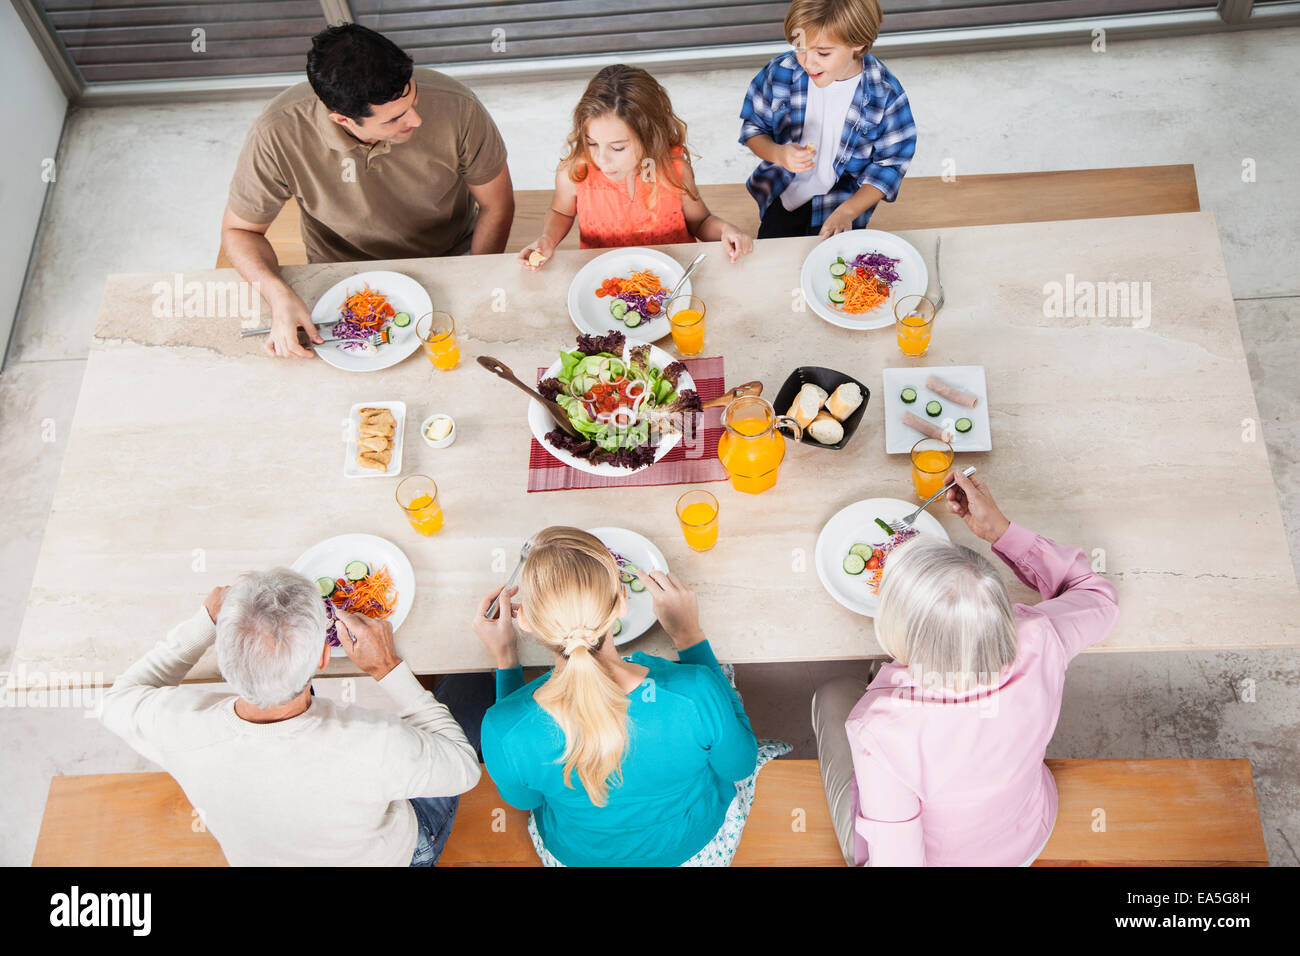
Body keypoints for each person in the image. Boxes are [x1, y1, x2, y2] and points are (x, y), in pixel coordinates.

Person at [811, 470, 1120, 866]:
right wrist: (1001, 531)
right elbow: (1100, 599)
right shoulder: (1041, 634)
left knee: (831, 693)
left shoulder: (876, 730)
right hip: (1027, 830)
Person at [100, 568, 482, 866]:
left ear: (223, 657)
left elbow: (118, 697)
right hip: (400, 856)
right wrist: (388, 668)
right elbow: (463, 767)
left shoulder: (178, 726)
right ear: (322, 657)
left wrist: (202, 622)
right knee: (470, 688)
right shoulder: (375, 744)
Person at [473, 527, 785, 866]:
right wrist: (688, 634)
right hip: (692, 848)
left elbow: (526, 801)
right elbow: (739, 765)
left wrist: (506, 659)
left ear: (525, 621)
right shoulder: (694, 692)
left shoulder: (502, 728)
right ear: (622, 601)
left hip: (579, 856)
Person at [222, 24, 514, 358]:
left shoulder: (459, 106)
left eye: (413, 98)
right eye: (395, 119)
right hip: (339, 272)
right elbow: (239, 230)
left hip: (451, 255)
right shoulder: (277, 133)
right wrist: (277, 294)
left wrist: (474, 277)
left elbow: (498, 205)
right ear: (343, 120)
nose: (416, 120)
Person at [518, 65, 753, 270]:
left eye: (618, 148)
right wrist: (547, 239)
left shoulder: (673, 170)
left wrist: (725, 230)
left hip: (672, 274)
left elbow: (700, 222)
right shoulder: (576, 173)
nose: (602, 159)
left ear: (650, 137)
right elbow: (561, 212)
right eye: (592, 143)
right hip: (602, 278)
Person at [739, 0, 916, 239]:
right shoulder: (779, 71)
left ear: (858, 43)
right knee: (774, 255)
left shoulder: (885, 94)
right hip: (783, 193)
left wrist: (848, 211)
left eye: (823, 53)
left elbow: (890, 165)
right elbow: (753, 128)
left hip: (841, 205)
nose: (807, 62)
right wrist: (778, 154)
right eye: (799, 47)